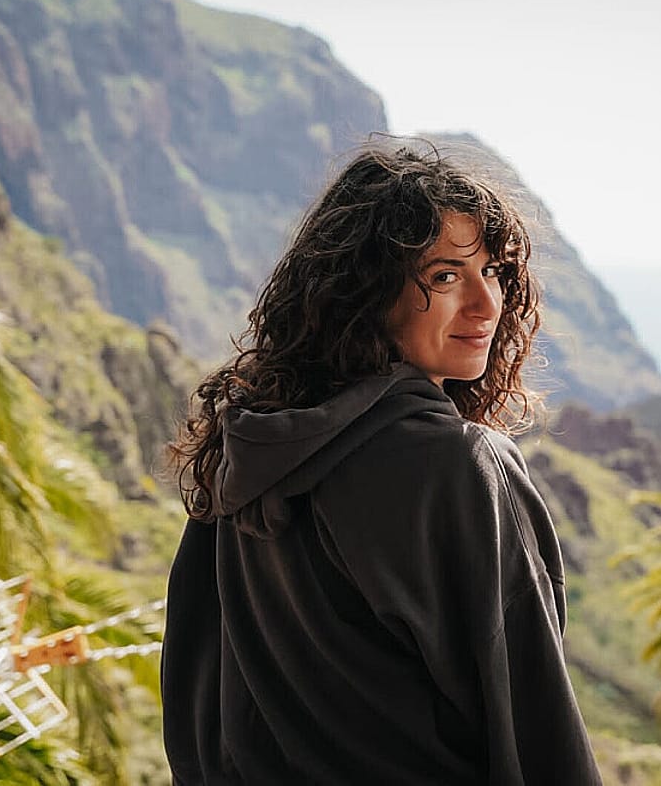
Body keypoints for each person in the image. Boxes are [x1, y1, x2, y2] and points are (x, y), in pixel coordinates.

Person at [161, 142, 602, 785]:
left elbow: (196, 697)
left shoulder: (246, 452)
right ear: (366, 294)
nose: (487, 304)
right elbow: (536, 725)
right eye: (445, 277)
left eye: (493, 271)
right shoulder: (460, 467)